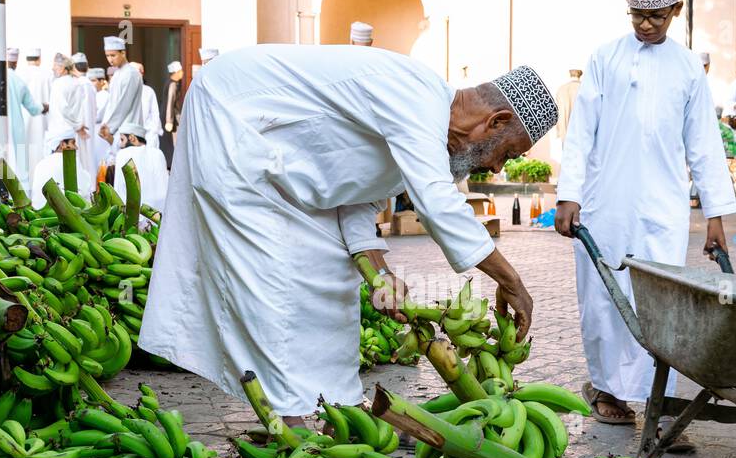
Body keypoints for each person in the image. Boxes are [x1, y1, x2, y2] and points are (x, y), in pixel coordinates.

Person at [140, 45, 550, 418]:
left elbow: (359, 199)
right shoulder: (420, 100)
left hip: (275, 158)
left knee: (331, 280)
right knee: (275, 283)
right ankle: (290, 425)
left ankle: (338, 408)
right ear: (496, 121)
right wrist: (510, 280)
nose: (497, 169)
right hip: (232, 117)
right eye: (507, 153)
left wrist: (380, 275)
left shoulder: (428, 130)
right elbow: (438, 203)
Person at [554, 0, 735, 443]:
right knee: (603, 297)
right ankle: (608, 391)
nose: (646, 23)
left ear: (676, 9)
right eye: (637, 13)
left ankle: (662, 404)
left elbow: (704, 145)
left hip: (663, 206)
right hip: (603, 200)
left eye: (656, 14)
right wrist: (569, 195)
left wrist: (716, 216)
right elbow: (581, 133)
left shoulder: (688, 69)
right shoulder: (604, 58)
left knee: (660, 302)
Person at [113, 120, 169, 214]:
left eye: (122, 139)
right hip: (160, 215)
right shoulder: (158, 153)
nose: (121, 145)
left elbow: (119, 190)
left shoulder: (123, 154)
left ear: (132, 138)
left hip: (134, 216)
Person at [99, 36, 142, 148]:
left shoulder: (131, 74)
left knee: (129, 164)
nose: (110, 59)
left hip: (129, 131)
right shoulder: (117, 74)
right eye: (107, 55)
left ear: (123, 53)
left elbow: (124, 104)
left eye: (113, 55)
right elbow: (111, 103)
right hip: (117, 130)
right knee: (118, 163)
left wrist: (109, 126)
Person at [17, 48, 51, 180]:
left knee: (24, 153)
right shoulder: (47, 74)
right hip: (42, 120)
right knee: (39, 151)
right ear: (39, 59)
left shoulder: (20, 74)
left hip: (24, 120)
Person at [30, 128, 83, 208]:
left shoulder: (40, 164)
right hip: (65, 215)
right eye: (73, 143)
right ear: (62, 145)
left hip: (39, 214)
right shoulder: (72, 161)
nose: (76, 147)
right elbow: (85, 189)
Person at [134, 62, 163, 149]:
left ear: (142, 74)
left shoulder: (148, 91)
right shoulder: (125, 91)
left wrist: (154, 131)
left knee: (150, 159)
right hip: (131, 135)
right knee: (130, 161)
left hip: (148, 134)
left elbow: (155, 113)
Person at [162, 60, 183, 168]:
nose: (182, 72)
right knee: (174, 142)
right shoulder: (173, 85)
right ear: (176, 72)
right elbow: (170, 102)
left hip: (170, 117)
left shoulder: (170, 83)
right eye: (180, 70)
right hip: (172, 119)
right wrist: (169, 121)